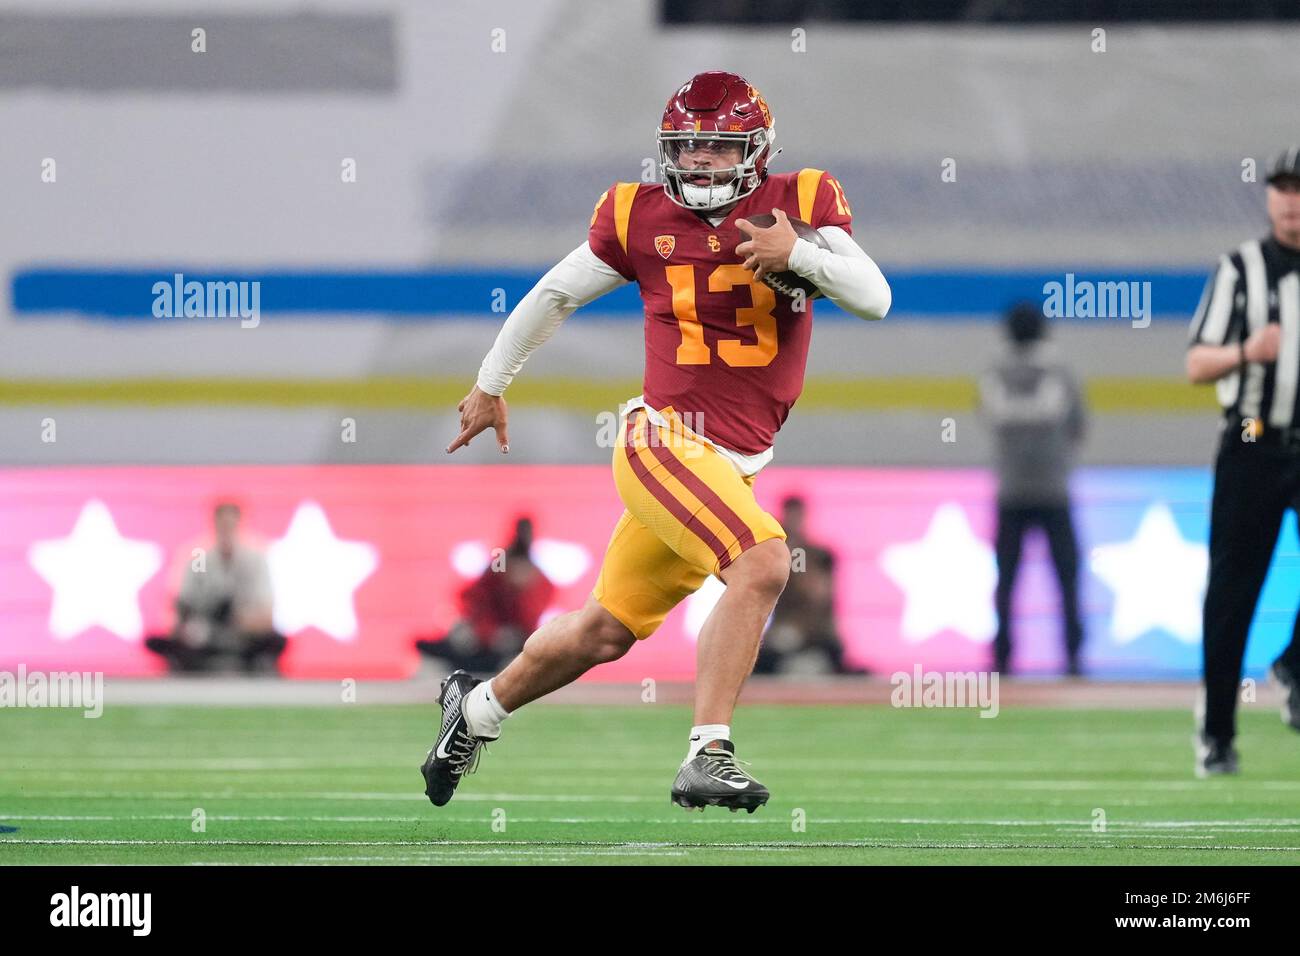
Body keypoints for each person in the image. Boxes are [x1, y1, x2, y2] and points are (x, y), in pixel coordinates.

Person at [421, 71, 891, 812]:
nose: (701, 161)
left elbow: (874, 299)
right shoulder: (637, 215)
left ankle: (474, 711)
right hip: (665, 441)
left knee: (602, 633)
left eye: (717, 146)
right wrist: (491, 383)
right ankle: (709, 754)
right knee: (764, 563)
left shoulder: (800, 203)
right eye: (689, 146)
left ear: (756, 150)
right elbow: (555, 295)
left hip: (730, 465)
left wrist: (798, 254)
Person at [1186, 146, 1300, 777]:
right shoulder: (1241, 269)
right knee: (1233, 594)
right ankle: (1218, 735)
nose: (1290, 200)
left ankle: (1294, 662)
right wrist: (1247, 351)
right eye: (1282, 188)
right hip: (1254, 438)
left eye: (1299, 189)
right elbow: (1196, 363)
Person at [979, 303, 1087, 677]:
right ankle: (1073, 658)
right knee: (1067, 577)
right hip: (1054, 489)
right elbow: (1077, 427)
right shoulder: (1062, 372)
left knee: (1007, 579)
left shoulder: (995, 373)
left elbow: (988, 417)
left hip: (1011, 490)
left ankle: (1002, 658)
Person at [145, 502, 284, 674]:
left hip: (243, 634)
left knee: (275, 641)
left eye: (230, 525)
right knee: (169, 641)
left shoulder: (254, 559)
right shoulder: (200, 557)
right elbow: (186, 602)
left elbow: (265, 611)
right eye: (222, 524)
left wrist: (240, 619)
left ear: (239, 524)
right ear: (215, 524)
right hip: (206, 632)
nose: (226, 530)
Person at [415, 518, 555, 674]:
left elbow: (530, 614)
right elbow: (479, 593)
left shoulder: (534, 572)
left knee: (512, 644)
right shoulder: (502, 560)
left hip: (511, 639)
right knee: (461, 639)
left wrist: (522, 588)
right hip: (482, 633)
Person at [754, 496, 860, 675]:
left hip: (816, 633)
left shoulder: (816, 554)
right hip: (785, 629)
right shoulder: (778, 550)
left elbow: (816, 591)